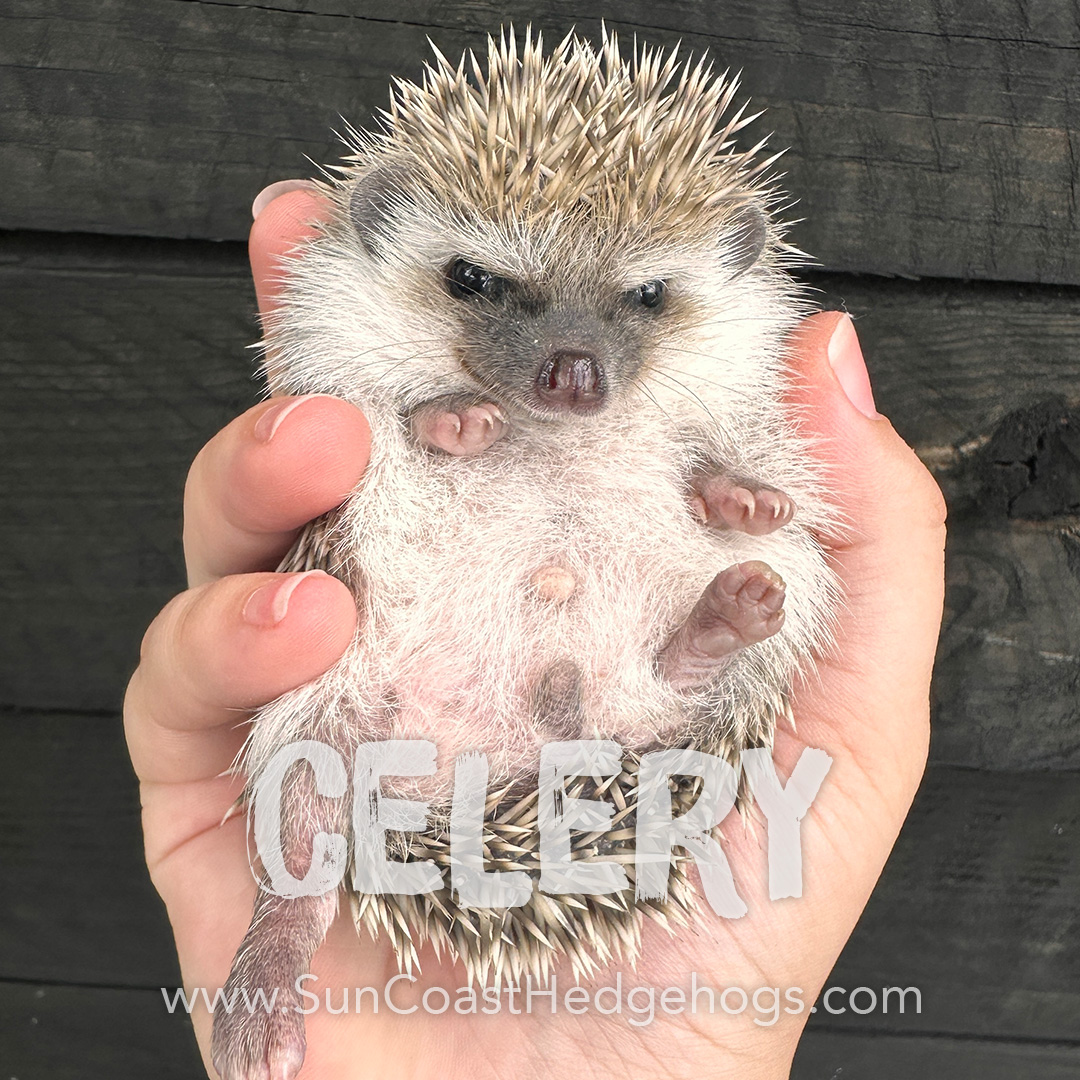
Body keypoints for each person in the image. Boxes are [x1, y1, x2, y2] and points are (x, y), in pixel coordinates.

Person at [123, 186, 946, 1079]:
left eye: (644, 299)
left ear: (736, 264)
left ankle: (680, 661)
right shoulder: (378, 353)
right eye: (479, 281)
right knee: (319, 675)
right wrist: (418, 419)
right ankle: (288, 923)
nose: (572, 362)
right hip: (436, 694)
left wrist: (716, 480)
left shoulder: (712, 390)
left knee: (735, 549)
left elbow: (735, 449)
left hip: (603, 682)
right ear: (376, 235)